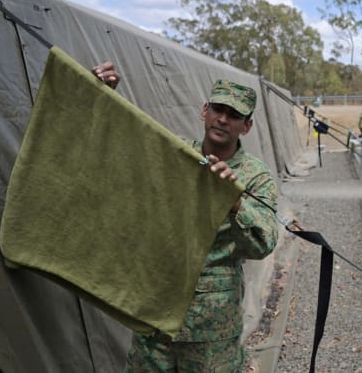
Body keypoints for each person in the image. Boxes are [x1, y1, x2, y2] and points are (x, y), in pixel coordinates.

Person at [92, 62, 279, 372]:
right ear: (204, 111)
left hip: (211, 330)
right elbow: (125, 155)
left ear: (246, 126)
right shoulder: (177, 153)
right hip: (155, 316)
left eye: (234, 115)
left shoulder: (255, 176)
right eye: (218, 109)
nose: (223, 119)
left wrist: (236, 204)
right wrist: (103, 97)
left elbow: (263, 243)